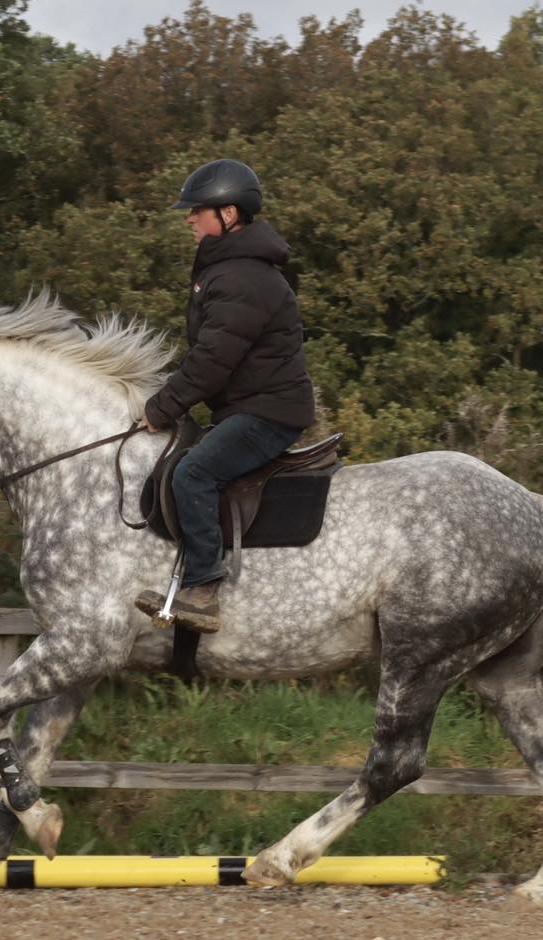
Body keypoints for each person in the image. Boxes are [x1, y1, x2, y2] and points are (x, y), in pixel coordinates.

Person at [133, 159, 316, 633]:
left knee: (193, 473)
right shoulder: (230, 269)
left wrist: (162, 407)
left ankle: (202, 589)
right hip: (247, 407)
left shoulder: (242, 277)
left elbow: (213, 360)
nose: (190, 218)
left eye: (199, 210)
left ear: (229, 215)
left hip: (268, 414)